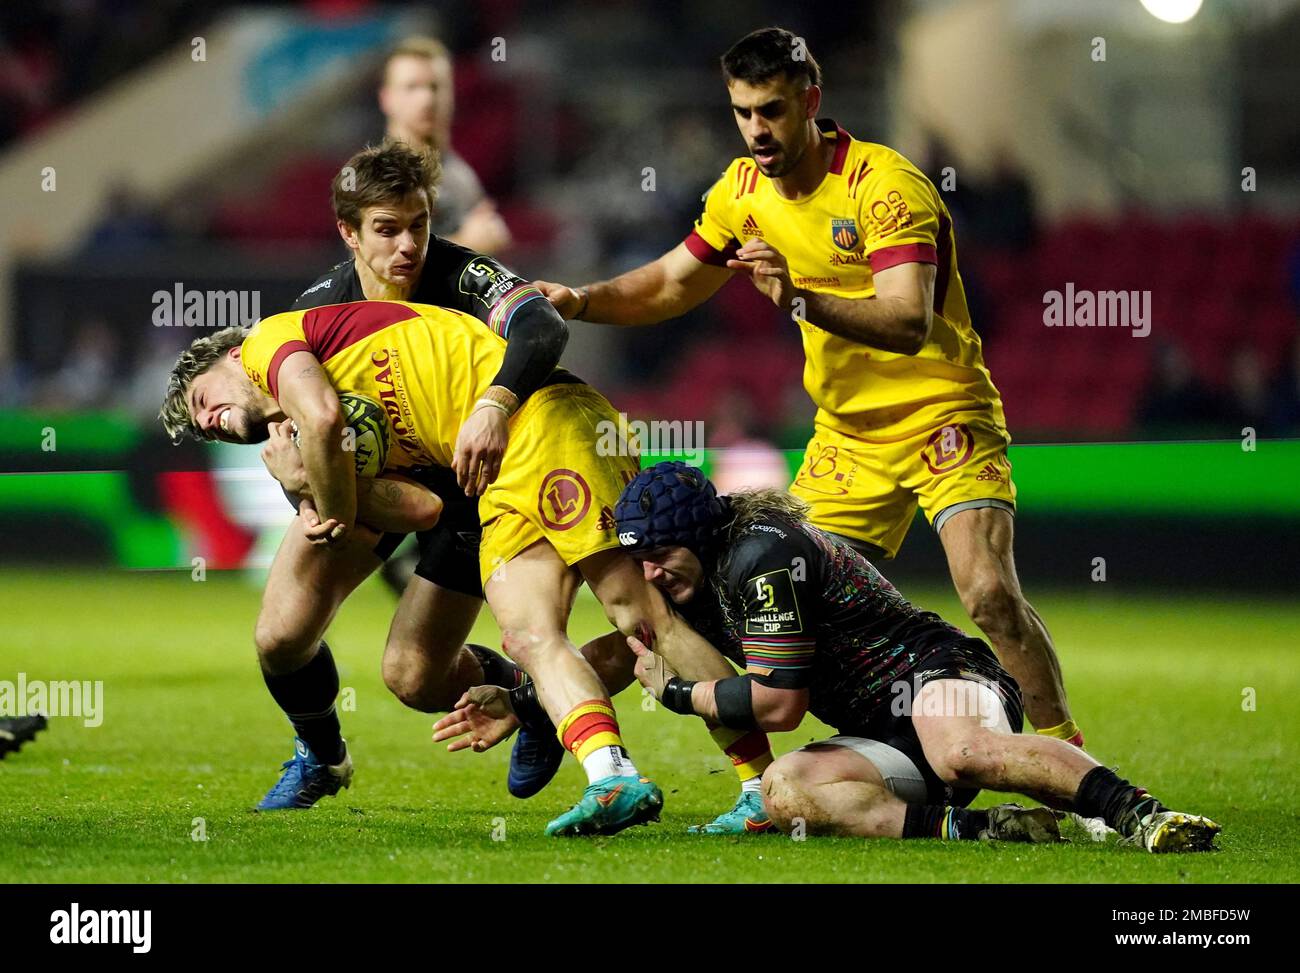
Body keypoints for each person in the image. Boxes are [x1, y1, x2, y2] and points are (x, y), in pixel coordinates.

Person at [534, 27, 1081, 756]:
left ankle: (1067, 755)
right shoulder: (741, 193)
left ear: (811, 101)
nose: (757, 129)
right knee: (759, 597)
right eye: (743, 112)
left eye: (773, 110)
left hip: (942, 413)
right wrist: (579, 297)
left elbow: (909, 320)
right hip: (848, 437)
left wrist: (800, 299)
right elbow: (669, 282)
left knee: (985, 591)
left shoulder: (884, 188)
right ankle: (561, 713)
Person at [159, 301, 757, 837]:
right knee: (526, 636)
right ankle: (612, 777)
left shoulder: (272, 344)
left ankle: (760, 788)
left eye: (203, 400)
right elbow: (422, 507)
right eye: (200, 426)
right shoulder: (299, 435)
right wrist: (310, 479)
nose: (208, 420)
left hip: (543, 418)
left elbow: (322, 418)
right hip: (490, 479)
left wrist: (313, 490)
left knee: (640, 614)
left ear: (233, 357)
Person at [617, 463, 1221, 853]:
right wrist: (541, 694)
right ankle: (982, 828)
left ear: (701, 535)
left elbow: (779, 706)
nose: (650, 572)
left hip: (940, 672)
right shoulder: (690, 579)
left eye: (661, 553)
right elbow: (620, 644)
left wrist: (677, 694)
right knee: (785, 792)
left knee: (962, 754)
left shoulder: (759, 557)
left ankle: (1141, 813)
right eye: (638, 558)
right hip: (882, 733)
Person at [379, 36, 511, 254]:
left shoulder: (459, 172)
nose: (427, 99)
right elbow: (378, 266)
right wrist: (467, 244)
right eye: (412, 87)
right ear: (386, 98)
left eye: (436, 87)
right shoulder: (378, 176)